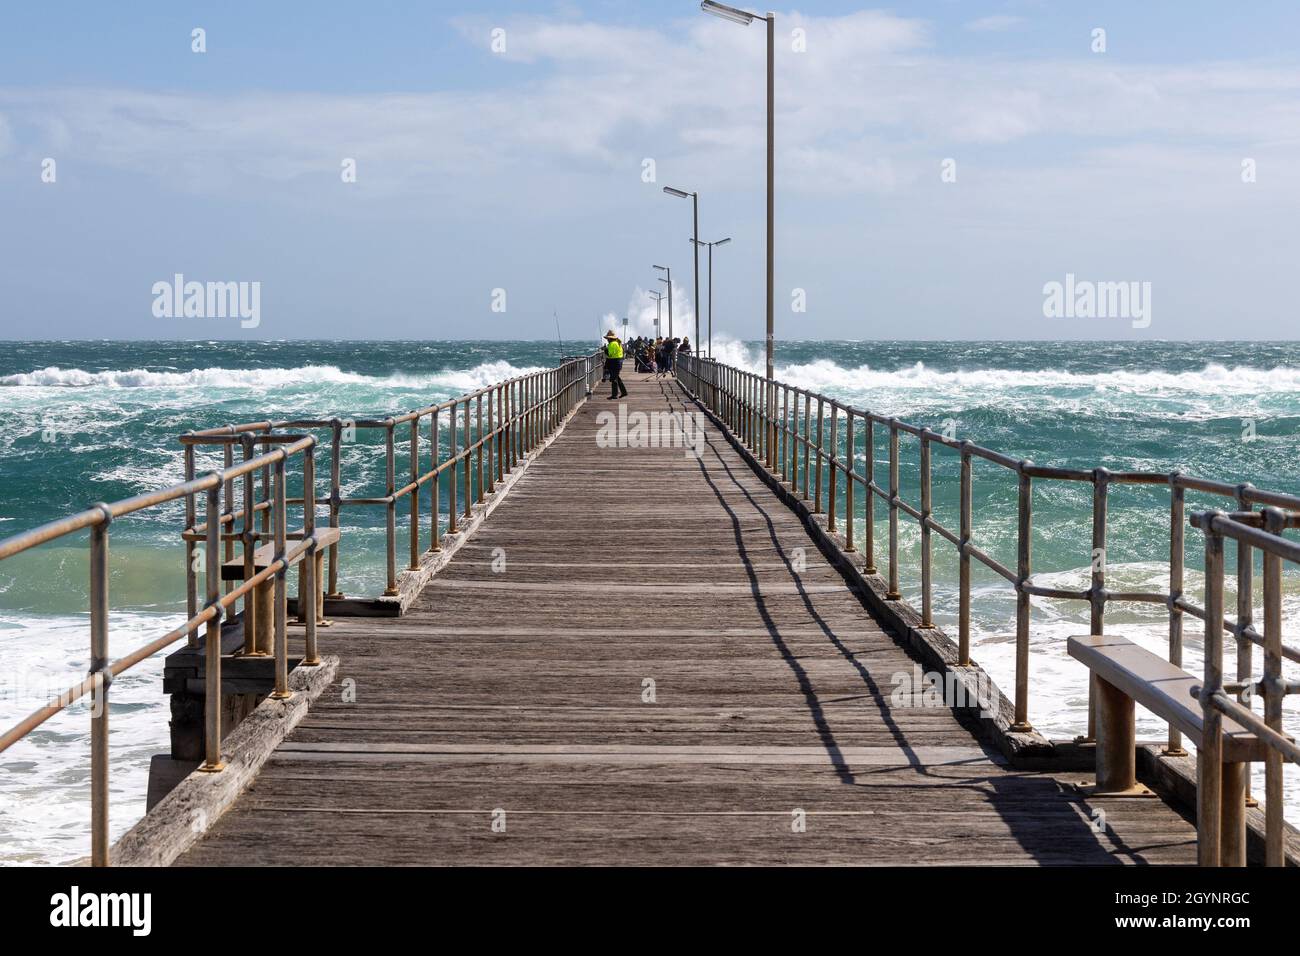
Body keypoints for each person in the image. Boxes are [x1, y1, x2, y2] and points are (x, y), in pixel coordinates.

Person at [603, 330, 628, 399]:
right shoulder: (617, 343)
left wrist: (605, 350)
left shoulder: (612, 344)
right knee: (617, 378)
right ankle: (624, 392)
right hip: (618, 362)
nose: (607, 340)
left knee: (614, 379)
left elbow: (610, 354)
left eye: (608, 338)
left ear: (610, 338)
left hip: (614, 363)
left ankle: (614, 395)